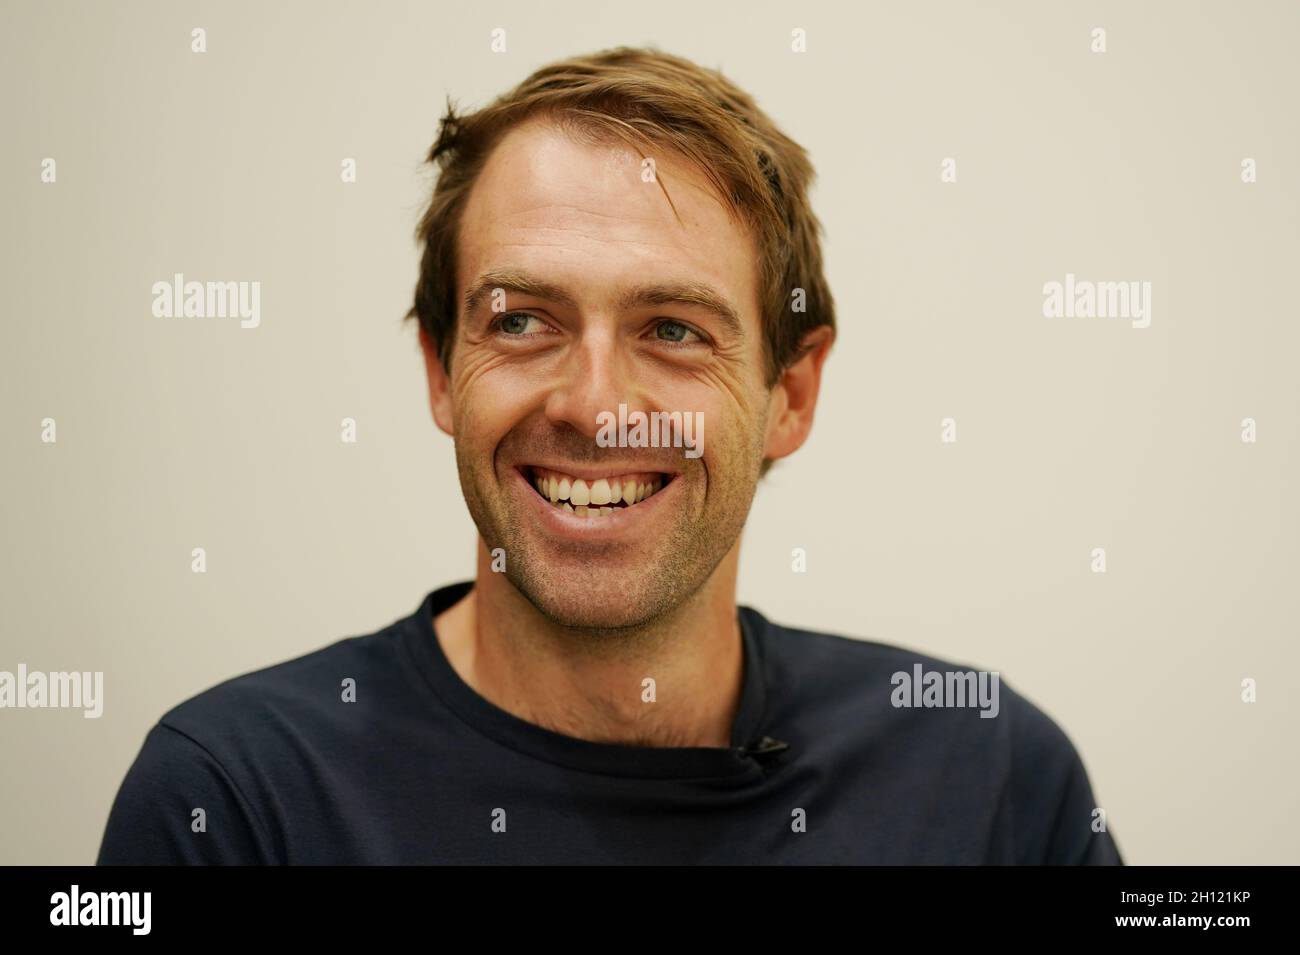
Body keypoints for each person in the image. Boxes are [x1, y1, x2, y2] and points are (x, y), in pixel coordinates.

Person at [98, 46, 1122, 865]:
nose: (596, 408)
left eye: (673, 329)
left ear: (789, 396)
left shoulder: (983, 777)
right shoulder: (236, 799)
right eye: (523, 321)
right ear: (441, 371)